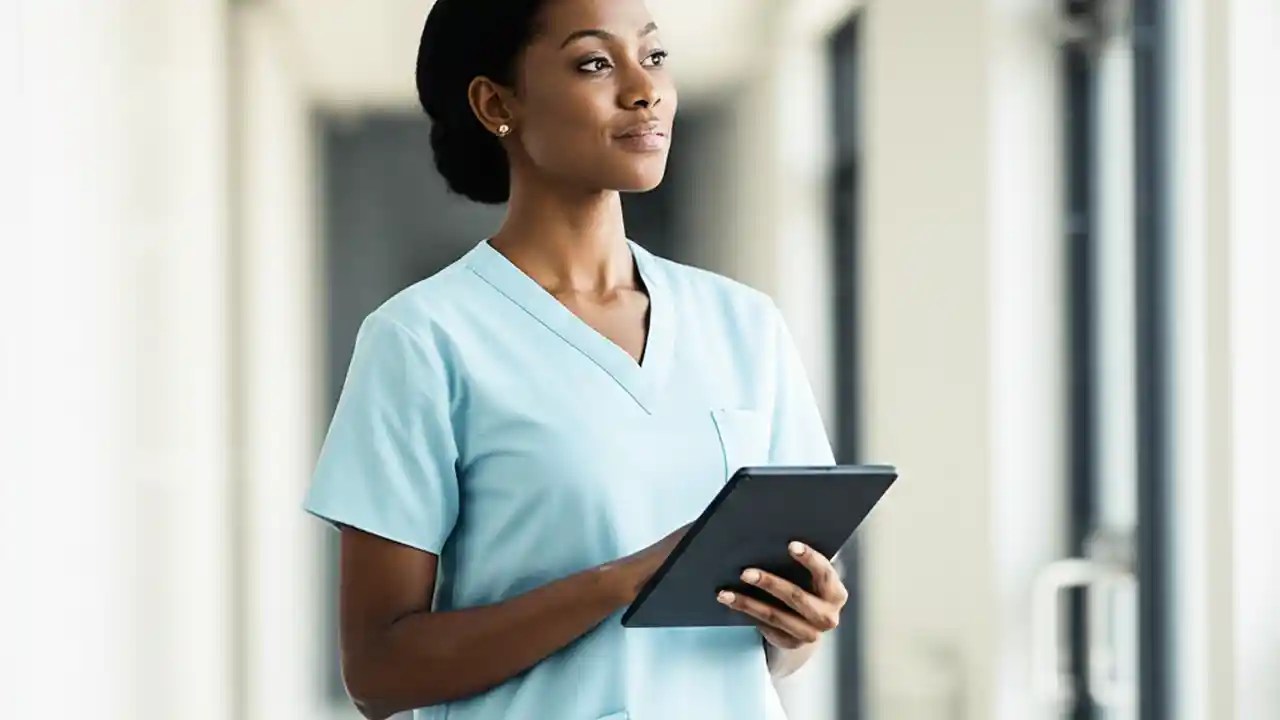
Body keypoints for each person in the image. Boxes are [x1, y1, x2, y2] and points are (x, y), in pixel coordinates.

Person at [302, 0, 846, 718]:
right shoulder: (423, 339)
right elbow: (378, 671)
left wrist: (797, 624)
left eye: (653, 57)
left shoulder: (745, 324)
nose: (643, 89)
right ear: (497, 103)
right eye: (595, 63)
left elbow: (778, 649)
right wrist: (619, 583)